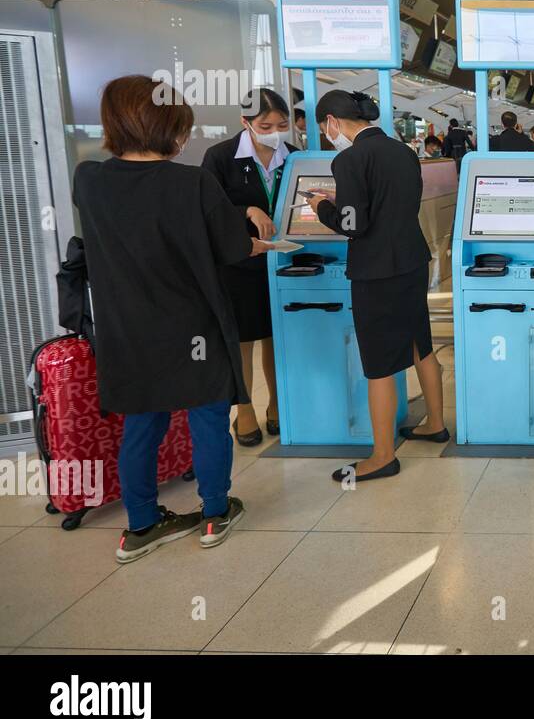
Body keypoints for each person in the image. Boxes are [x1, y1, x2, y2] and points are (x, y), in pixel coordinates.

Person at [74, 75, 272, 562]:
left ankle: (142, 525)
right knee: (208, 418)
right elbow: (232, 247)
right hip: (193, 327)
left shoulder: (90, 180)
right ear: (169, 128)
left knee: (142, 424)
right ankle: (214, 513)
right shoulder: (192, 183)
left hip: (127, 328)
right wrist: (258, 244)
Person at [305, 90, 448, 483]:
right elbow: (391, 202)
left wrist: (322, 207)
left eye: (324, 128)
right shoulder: (403, 151)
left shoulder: (349, 159)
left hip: (376, 271)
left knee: (379, 363)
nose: (328, 135)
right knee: (419, 341)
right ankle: (435, 423)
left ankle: (383, 456)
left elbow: (353, 224)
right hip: (412, 260)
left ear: (332, 121)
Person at [200, 88, 298, 447]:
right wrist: (247, 211)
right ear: (246, 122)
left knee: (276, 335)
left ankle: (277, 403)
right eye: (265, 126)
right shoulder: (221, 157)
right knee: (242, 339)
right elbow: (208, 209)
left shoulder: (293, 157)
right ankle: (244, 408)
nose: (275, 132)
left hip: (283, 259)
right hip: (239, 262)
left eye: (282, 125)